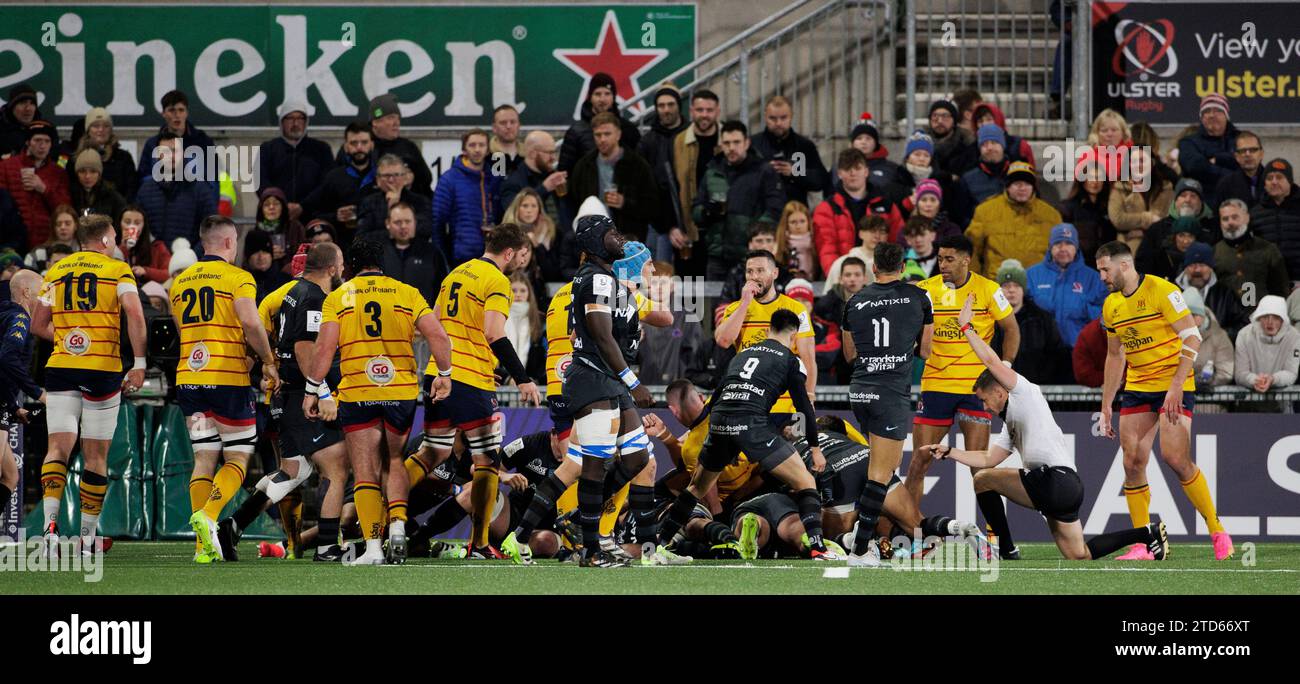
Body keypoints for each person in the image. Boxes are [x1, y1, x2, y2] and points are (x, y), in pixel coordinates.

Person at [917, 293, 1171, 561]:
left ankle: (1005, 549)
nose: (984, 407)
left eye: (984, 399)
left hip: (1055, 481)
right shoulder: (1012, 421)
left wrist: (966, 328)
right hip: (1067, 489)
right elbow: (988, 458)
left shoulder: (1023, 391)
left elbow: (991, 362)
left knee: (982, 479)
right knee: (1079, 554)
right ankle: (1147, 533)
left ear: (1000, 390)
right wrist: (950, 452)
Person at [303, 239, 452, 565]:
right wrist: (444, 373)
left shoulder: (338, 297)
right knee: (395, 460)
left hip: (359, 391)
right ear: (382, 262)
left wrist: (313, 389)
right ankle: (397, 527)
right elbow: (438, 336)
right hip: (399, 390)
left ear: (352, 266)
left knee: (366, 470)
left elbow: (325, 348)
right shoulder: (406, 292)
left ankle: (373, 548)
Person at [404, 223, 538, 559]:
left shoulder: (456, 273)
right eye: (521, 255)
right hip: (471, 379)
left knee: (431, 453)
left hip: (439, 373)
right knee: (487, 463)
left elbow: (433, 323)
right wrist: (522, 377)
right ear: (509, 252)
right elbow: (494, 332)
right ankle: (479, 544)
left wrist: (440, 369)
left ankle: (382, 515)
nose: (521, 261)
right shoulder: (497, 281)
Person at [657, 309, 834, 560]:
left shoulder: (742, 355)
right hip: (751, 422)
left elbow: (717, 395)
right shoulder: (791, 360)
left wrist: (704, 434)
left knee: (696, 487)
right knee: (806, 482)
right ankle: (818, 547)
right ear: (794, 334)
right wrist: (815, 449)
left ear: (767, 330)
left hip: (720, 420)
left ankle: (658, 546)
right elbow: (803, 406)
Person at [1095, 240, 1233, 561]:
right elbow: (1114, 356)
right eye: (1099, 270)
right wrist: (1105, 404)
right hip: (1139, 386)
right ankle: (1144, 544)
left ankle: (1216, 529)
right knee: (1132, 463)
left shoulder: (1163, 291)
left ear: (1124, 265)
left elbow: (1192, 337)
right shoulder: (1111, 305)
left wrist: (1175, 386)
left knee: (1175, 458)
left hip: (1176, 382)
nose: (1101, 276)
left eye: (1105, 269)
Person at [216, 243, 351, 562]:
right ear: (332, 268)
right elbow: (306, 349)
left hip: (286, 393)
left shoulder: (293, 293)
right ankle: (328, 547)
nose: (343, 270)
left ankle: (233, 525)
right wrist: (321, 393)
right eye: (341, 264)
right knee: (336, 465)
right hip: (302, 395)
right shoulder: (315, 297)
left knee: (294, 469)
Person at [32, 214, 147, 556]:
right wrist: (139, 363)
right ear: (107, 240)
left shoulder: (55, 271)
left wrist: (69, 340)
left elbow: (39, 324)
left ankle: (50, 532)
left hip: (62, 366)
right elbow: (135, 314)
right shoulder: (117, 271)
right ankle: (86, 538)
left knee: (57, 449)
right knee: (95, 456)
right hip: (101, 368)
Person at [169, 216, 279, 563]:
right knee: (238, 457)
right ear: (230, 243)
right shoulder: (238, 278)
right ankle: (210, 516)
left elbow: (180, 329)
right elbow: (250, 321)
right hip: (227, 377)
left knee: (203, 458)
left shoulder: (180, 282)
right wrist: (267, 359)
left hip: (189, 378)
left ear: (204, 243)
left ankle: (203, 547)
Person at [552, 215, 656, 567]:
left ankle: (582, 521)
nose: (618, 236)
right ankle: (591, 550)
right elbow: (600, 334)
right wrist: (633, 381)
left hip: (609, 378)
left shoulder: (608, 277)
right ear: (594, 242)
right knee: (595, 465)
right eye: (610, 233)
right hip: (596, 378)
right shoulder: (595, 277)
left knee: (638, 457)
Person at [910, 233, 1021, 558]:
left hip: (976, 391)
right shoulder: (925, 291)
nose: (941, 264)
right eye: (939, 259)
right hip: (936, 386)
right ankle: (915, 535)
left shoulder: (988, 290)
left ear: (965, 260)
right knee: (919, 462)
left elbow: (1011, 329)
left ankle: (998, 541)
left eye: (948, 259)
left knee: (981, 469)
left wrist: (1004, 367)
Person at [840, 242, 933, 565]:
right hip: (890, 394)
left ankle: (860, 533)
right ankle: (861, 548)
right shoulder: (919, 297)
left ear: (873, 268)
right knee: (882, 473)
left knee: (875, 469)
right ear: (903, 268)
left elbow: (849, 355)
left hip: (860, 393)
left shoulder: (854, 301)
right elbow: (926, 351)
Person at [715, 250, 817, 418]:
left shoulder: (796, 309)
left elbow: (808, 359)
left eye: (760, 270)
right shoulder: (735, 309)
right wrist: (745, 303)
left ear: (775, 273)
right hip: (749, 401)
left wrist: (809, 398)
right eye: (750, 271)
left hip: (786, 404)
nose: (754, 276)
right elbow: (723, 341)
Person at [694, 120, 786, 281]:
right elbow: (695, 210)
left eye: (736, 142)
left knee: (754, 303)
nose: (731, 147)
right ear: (721, 144)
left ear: (747, 143)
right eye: (727, 143)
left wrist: (754, 234)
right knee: (718, 305)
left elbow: (775, 209)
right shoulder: (712, 170)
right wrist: (707, 212)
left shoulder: (764, 171)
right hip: (717, 254)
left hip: (751, 255)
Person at [567, 112, 659, 243]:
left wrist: (625, 203)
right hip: (594, 238)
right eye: (598, 135)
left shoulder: (637, 165)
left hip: (628, 238)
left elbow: (652, 205)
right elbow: (574, 200)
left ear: (618, 135)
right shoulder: (584, 165)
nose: (602, 139)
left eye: (607, 134)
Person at [965, 161, 1062, 280]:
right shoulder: (985, 211)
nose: (1022, 188)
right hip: (997, 286)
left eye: (1027, 183)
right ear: (1008, 186)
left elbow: (1060, 253)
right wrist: (974, 282)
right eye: (1017, 183)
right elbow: (970, 249)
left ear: (1033, 187)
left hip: (1038, 286)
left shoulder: (1051, 215)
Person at [814, 148, 903, 277]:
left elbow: (897, 242)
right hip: (845, 278)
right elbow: (826, 248)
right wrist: (840, 277)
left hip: (882, 277)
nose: (852, 173)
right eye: (847, 169)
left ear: (866, 171)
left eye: (857, 168)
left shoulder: (886, 205)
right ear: (839, 173)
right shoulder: (827, 208)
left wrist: (891, 275)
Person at [0, 270, 44, 527]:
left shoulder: (6, 314)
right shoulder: (19, 317)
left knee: (10, 476)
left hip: (4, 402)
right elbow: (6, 359)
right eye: (42, 291)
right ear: (27, 292)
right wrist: (37, 392)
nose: (46, 298)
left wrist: (15, 407)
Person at [1025, 223, 1106, 348]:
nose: (1063, 248)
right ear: (1050, 248)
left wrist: (1084, 308)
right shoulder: (1031, 275)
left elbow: (1105, 315)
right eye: (1058, 244)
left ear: (1076, 248)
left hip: (1079, 348)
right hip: (1040, 350)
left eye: (1068, 244)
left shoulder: (1093, 278)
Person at [994, 259, 1072, 384]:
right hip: (999, 389)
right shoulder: (990, 321)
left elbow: (1057, 355)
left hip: (1036, 388)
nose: (1011, 290)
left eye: (1016, 285)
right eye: (1006, 286)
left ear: (1023, 289)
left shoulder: (1042, 319)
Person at [135, 132, 218, 247]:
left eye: (175, 150)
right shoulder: (145, 190)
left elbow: (211, 230)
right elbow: (138, 229)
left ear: (183, 153)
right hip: (153, 262)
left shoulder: (200, 189)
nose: (171, 156)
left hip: (190, 262)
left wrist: (191, 256)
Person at [432, 128, 501, 267]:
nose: (477, 149)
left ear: (488, 150)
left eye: (481, 145)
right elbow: (437, 221)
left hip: (492, 254)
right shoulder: (450, 179)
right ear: (464, 149)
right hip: (461, 256)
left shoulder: (493, 177)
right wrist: (443, 258)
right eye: (472, 145)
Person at [670, 90, 722, 269]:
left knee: (726, 295)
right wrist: (672, 226)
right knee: (692, 295)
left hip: (722, 234)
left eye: (709, 110)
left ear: (718, 111)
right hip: (688, 233)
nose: (704, 115)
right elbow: (669, 187)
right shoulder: (679, 142)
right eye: (700, 110)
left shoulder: (728, 140)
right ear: (691, 111)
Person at [637, 84, 691, 260]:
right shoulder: (647, 142)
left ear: (678, 105)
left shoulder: (692, 136)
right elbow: (646, 189)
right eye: (661, 105)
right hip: (659, 223)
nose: (666, 110)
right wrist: (668, 226)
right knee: (659, 278)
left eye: (670, 104)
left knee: (694, 282)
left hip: (691, 218)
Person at [0, 121, 70, 249]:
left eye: (47, 141)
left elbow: (65, 209)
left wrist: (44, 189)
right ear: (28, 142)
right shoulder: (6, 166)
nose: (42, 146)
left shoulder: (58, 172)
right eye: (37, 140)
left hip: (46, 241)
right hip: (12, 242)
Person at [751, 95, 830, 208]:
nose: (778, 123)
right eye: (772, 118)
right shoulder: (753, 145)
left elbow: (821, 180)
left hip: (795, 215)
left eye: (783, 118)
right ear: (765, 117)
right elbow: (741, 180)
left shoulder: (804, 146)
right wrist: (764, 172)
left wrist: (795, 172)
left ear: (791, 116)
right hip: (761, 214)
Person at [302, 121, 375, 243]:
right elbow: (315, 213)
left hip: (377, 246)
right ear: (346, 147)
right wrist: (335, 216)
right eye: (354, 143)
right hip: (343, 247)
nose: (359, 147)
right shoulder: (333, 177)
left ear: (372, 145)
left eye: (364, 142)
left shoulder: (383, 177)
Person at [258, 102, 334, 215]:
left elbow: (327, 183)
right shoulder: (267, 149)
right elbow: (260, 181)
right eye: (290, 118)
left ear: (306, 122)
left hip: (314, 214)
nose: (295, 123)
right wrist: (280, 204)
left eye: (300, 118)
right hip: (276, 214)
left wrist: (303, 206)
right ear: (281, 122)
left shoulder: (321, 149)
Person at [558, 72, 641, 174]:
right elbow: (564, 173)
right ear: (590, 97)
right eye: (597, 94)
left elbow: (639, 168)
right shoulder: (576, 132)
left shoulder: (628, 129)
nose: (602, 99)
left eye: (607, 93)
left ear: (613, 97)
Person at [375, 202, 446, 320]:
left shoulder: (431, 252)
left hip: (423, 325)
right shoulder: (378, 253)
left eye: (408, 222)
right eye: (398, 222)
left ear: (415, 223)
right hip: (387, 324)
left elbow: (443, 290)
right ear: (388, 224)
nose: (403, 226)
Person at [638, 260, 704, 385]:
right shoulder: (637, 318)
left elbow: (696, 358)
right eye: (654, 283)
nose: (659, 288)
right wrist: (632, 342)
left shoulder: (688, 319)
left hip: (679, 389)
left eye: (663, 282)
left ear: (672, 285)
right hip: (645, 388)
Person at [1215, 198, 1290, 301]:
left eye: (1235, 217)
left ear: (1247, 218)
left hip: (1261, 314)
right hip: (1227, 315)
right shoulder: (1214, 252)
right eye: (1225, 219)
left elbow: (1281, 289)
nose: (1230, 222)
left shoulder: (1268, 250)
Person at [1176, 242, 1250, 341]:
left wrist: (1220, 336)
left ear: (1211, 267)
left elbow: (1244, 324)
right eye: (1192, 265)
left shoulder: (1225, 293)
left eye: (1202, 265)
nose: (1197, 270)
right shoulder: (1171, 293)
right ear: (1185, 268)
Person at [1177, 93, 1239, 206]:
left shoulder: (1241, 138)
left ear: (1226, 115)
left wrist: (1217, 159)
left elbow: (1248, 163)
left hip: (1237, 203)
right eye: (1206, 111)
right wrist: (1234, 176)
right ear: (1201, 117)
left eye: (1217, 111)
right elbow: (1195, 166)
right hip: (1202, 205)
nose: (1211, 115)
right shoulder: (1188, 142)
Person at [1108, 147, 1173, 252]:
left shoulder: (1165, 188)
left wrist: (1142, 231)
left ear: (1152, 163)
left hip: (1160, 247)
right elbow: (1118, 219)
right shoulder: (1119, 188)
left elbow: (1169, 219)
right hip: (1129, 249)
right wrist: (1148, 218)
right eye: (1133, 161)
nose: (1138, 165)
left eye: (1142, 160)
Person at [366, 93, 432, 196]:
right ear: (375, 122)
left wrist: (412, 177)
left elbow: (427, 179)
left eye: (398, 118)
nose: (396, 123)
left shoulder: (408, 147)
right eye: (391, 118)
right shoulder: (362, 148)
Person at [1233, 295, 1300, 396]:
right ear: (1259, 318)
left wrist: (1273, 379)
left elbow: (1291, 372)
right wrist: (1255, 380)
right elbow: (1240, 373)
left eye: (1276, 317)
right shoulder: (1244, 335)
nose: (1270, 322)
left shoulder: (1294, 336)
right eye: (1265, 317)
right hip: (1248, 402)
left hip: (1282, 403)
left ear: (1283, 319)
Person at [355, 154, 433, 240]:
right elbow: (362, 237)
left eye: (396, 175)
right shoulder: (368, 202)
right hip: (380, 251)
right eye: (386, 176)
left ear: (404, 178)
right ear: (378, 180)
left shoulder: (421, 201)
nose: (391, 180)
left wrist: (396, 206)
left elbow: (425, 231)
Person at [499, 130, 567, 225]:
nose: (553, 158)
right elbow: (513, 213)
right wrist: (543, 189)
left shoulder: (553, 176)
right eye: (549, 153)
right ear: (532, 153)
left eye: (554, 152)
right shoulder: (512, 183)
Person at [1249, 158, 1300, 281]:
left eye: (1279, 177)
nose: (1274, 182)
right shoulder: (1255, 213)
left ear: (1290, 181)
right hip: (1269, 281)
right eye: (1269, 178)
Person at [950, 123, 1009, 228]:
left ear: (1003, 146)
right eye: (984, 144)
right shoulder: (968, 180)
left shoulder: (1017, 173)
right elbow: (960, 217)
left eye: (994, 142)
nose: (989, 148)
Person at [1061, 166, 1116, 269]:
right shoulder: (1068, 207)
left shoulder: (1110, 207)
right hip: (1078, 264)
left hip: (1105, 265)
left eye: (1099, 178)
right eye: (1090, 177)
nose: (1095, 182)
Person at [1181, 288, 1234, 391]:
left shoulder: (1219, 336)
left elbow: (1225, 372)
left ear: (1202, 315)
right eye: (1184, 315)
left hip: (1209, 400)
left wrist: (1206, 382)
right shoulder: (1169, 334)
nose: (1188, 319)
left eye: (1193, 315)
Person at [823, 214, 888, 295]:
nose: (877, 236)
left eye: (882, 232)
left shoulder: (891, 265)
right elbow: (829, 295)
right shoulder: (841, 263)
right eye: (872, 231)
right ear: (860, 234)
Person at [251, 187, 305, 270]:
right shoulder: (256, 232)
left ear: (283, 207)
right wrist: (267, 254)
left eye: (276, 204)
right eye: (266, 204)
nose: (271, 207)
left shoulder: (295, 227)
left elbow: (304, 255)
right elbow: (248, 263)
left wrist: (286, 252)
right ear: (261, 209)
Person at [926, 99, 978, 185]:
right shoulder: (921, 144)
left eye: (945, 116)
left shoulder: (967, 145)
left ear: (954, 120)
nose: (939, 121)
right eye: (935, 116)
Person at [848, 112, 902, 194]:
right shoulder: (839, 167)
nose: (863, 142)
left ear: (876, 143)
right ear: (852, 143)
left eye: (868, 138)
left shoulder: (892, 169)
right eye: (859, 138)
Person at [117, 205, 170, 286]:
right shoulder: (111, 245)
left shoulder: (157, 246)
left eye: (137, 223)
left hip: (148, 289)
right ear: (120, 223)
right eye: (127, 222)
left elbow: (168, 273)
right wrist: (123, 248)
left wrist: (146, 271)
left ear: (144, 225)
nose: (132, 226)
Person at [69, 149, 127, 221]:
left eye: (93, 171)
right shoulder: (69, 196)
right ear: (77, 174)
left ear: (99, 174)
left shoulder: (113, 197)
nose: (87, 176)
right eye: (82, 171)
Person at [971, 102, 1035, 167]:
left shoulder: (1020, 146)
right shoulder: (972, 150)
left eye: (989, 119)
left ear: (999, 119)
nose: (984, 124)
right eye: (980, 121)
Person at [1216, 130, 1266, 209]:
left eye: (1253, 150)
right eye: (1243, 151)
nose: (1248, 154)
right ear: (1236, 157)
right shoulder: (1226, 185)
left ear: (1261, 154)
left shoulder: (1273, 181)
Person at [816, 256, 867, 330]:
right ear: (840, 279)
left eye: (857, 275)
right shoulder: (826, 304)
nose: (852, 279)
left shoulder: (874, 302)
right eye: (848, 275)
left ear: (865, 279)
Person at [24, 205, 79, 273]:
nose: (63, 227)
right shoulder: (38, 254)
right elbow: (27, 278)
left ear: (76, 225)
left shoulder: (84, 252)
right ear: (53, 227)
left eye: (67, 223)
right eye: (58, 224)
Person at [775, 200, 815, 279]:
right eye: (793, 222)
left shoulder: (816, 241)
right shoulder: (779, 245)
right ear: (786, 224)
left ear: (808, 222)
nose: (798, 226)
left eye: (802, 221)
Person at [0, 84, 40, 157]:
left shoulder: (46, 129)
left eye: (32, 103)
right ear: (12, 107)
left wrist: (61, 164)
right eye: (22, 103)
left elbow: (60, 160)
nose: (28, 108)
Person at [489, 104, 523, 175]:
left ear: (519, 125)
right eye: (503, 123)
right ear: (494, 128)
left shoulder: (528, 155)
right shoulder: (485, 154)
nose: (508, 126)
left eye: (513, 122)